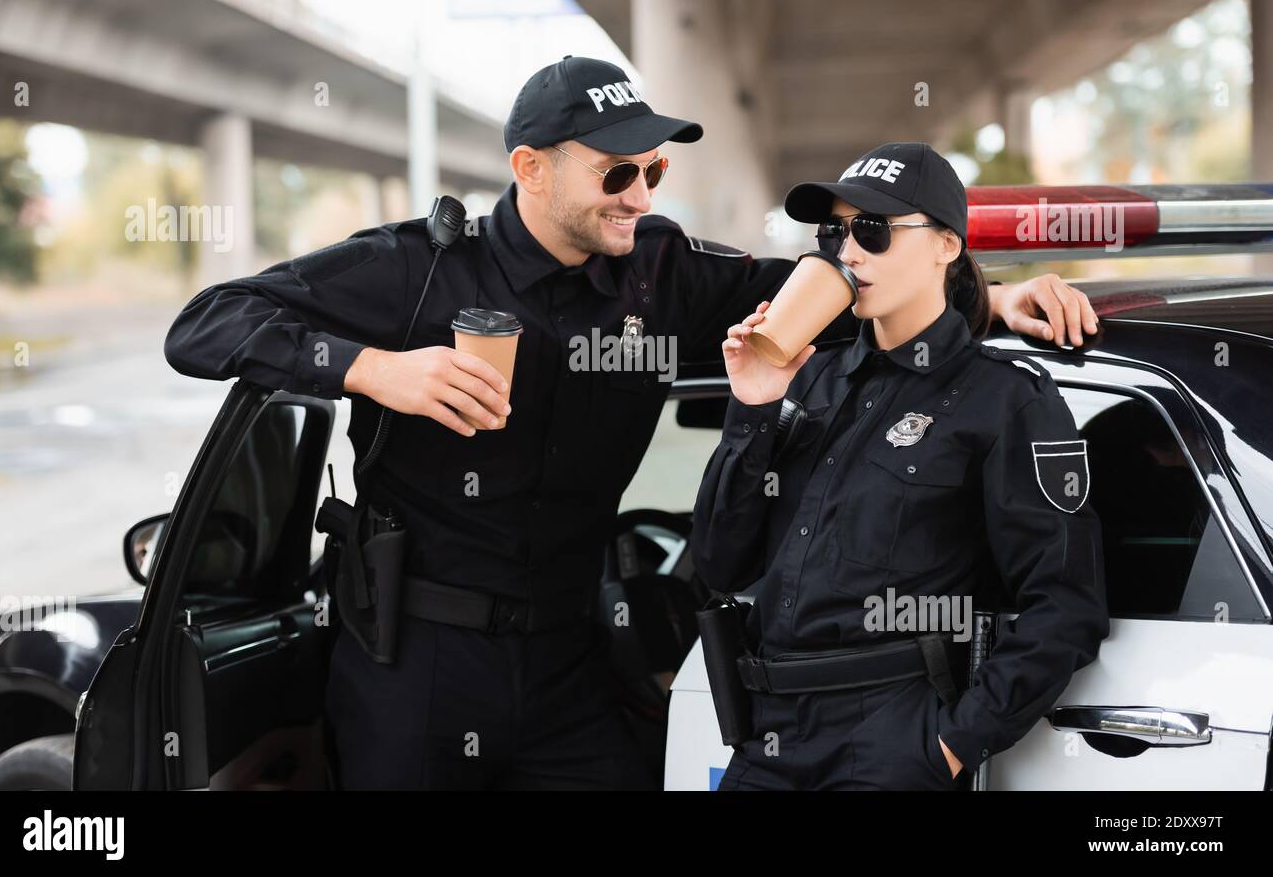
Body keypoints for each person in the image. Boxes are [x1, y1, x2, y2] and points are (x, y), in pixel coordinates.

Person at [163, 57, 1099, 790]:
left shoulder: (660, 272)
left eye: (654, 168)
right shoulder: (415, 272)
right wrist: (376, 370)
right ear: (530, 168)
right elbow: (205, 323)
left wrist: (995, 295)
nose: (642, 193)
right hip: (419, 662)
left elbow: (836, 290)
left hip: (573, 660)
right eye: (618, 171)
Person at [691, 142, 1111, 790]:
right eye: (835, 231)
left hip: (888, 740)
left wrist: (950, 744)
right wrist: (752, 407)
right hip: (766, 739)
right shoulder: (808, 380)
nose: (848, 252)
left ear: (946, 245)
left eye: (873, 230)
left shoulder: (1003, 397)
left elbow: (1066, 605)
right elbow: (721, 564)